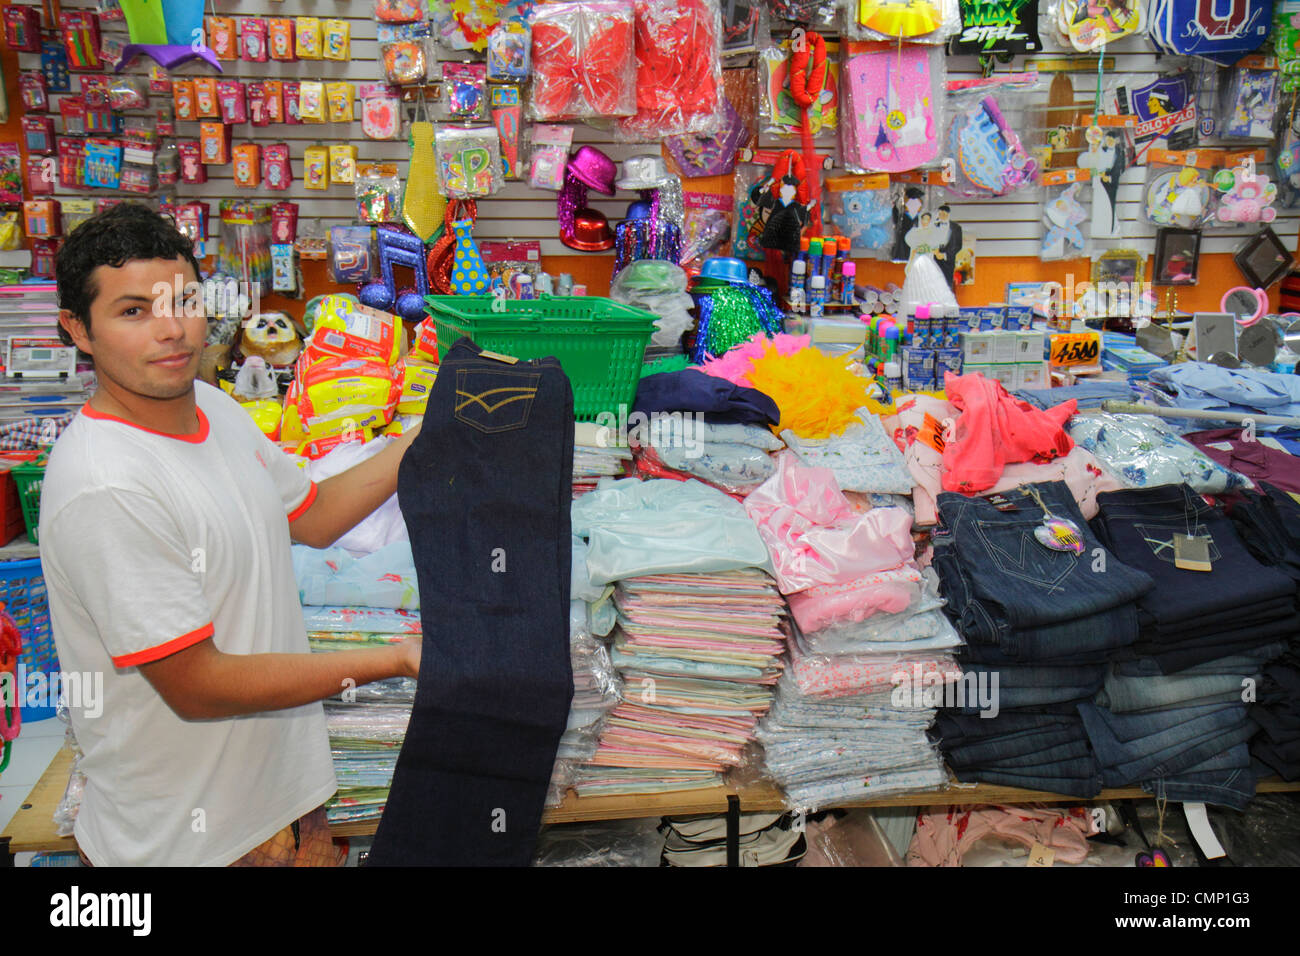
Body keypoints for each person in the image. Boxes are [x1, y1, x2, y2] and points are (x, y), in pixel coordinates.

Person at [42, 203, 423, 867]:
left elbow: (314, 514)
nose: (171, 329)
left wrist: (427, 435)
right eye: (133, 311)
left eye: (182, 300)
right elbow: (198, 685)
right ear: (78, 329)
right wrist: (393, 658)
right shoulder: (105, 485)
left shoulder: (214, 408)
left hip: (283, 801)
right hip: (189, 843)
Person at [932, 204, 963, 287]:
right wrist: (934, 251)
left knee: (947, 283)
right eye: (940, 214)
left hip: (948, 260)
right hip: (934, 257)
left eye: (944, 214)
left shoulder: (956, 227)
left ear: (948, 214)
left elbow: (958, 246)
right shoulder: (933, 225)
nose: (942, 216)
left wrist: (945, 255)